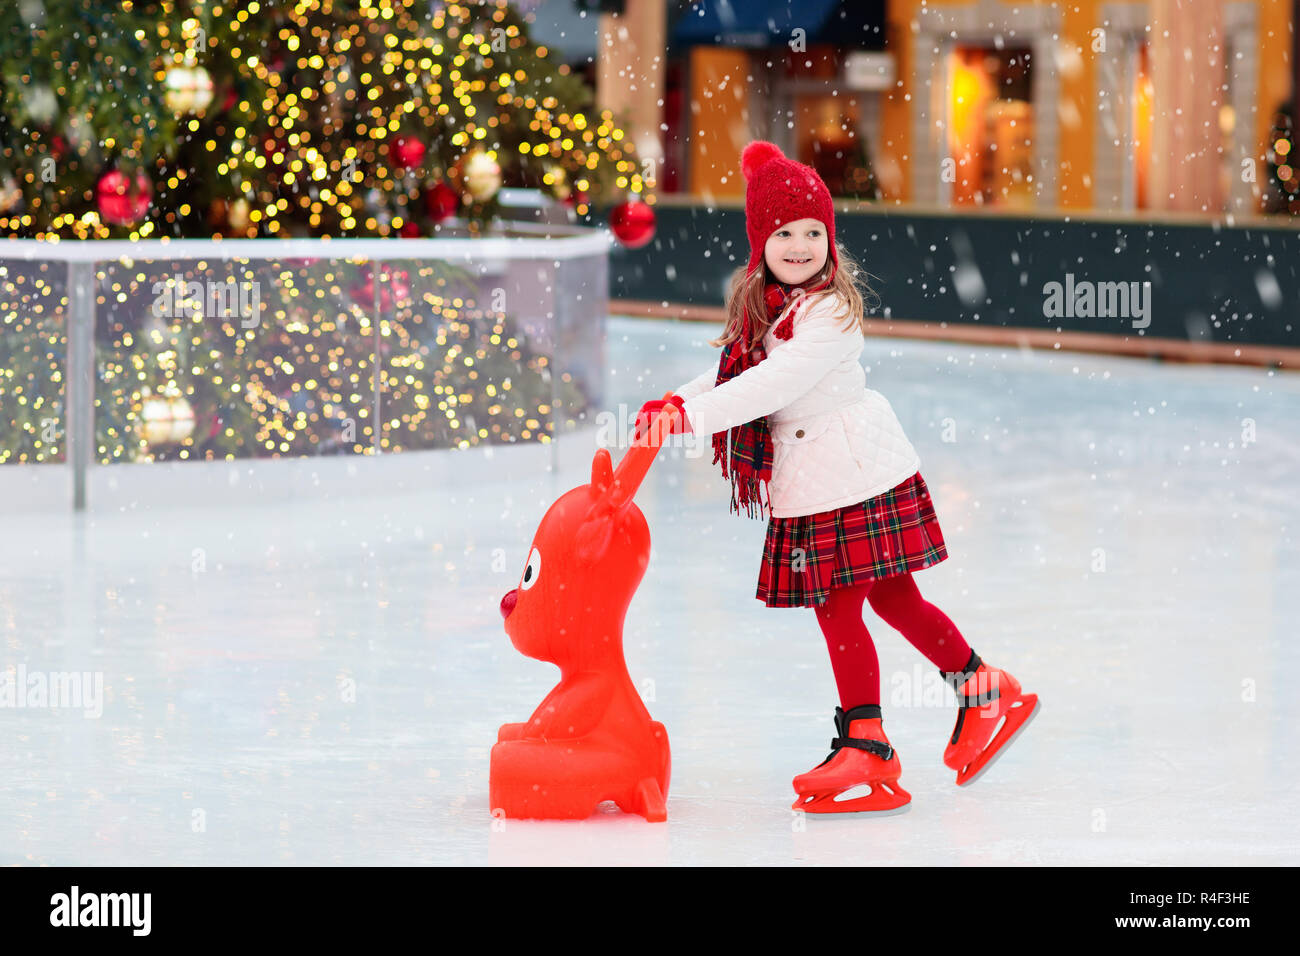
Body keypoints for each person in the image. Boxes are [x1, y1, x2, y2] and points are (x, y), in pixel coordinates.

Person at [634, 141, 1039, 814]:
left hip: (852, 474)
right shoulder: (768, 308)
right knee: (894, 601)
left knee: (841, 606)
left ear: (830, 238)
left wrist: (690, 420)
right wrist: (676, 402)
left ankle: (870, 743)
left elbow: (771, 385)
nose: (799, 245)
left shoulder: (830, 314)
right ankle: (982, 690)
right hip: (828, 474)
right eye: (784, 232)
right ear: (761, 241)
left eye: (813, 232)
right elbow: (734, 373)